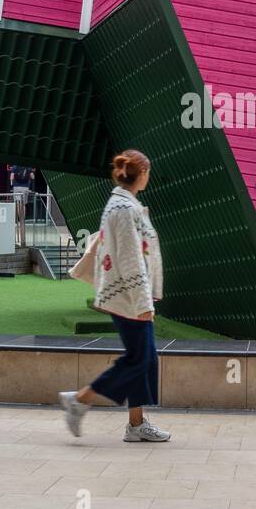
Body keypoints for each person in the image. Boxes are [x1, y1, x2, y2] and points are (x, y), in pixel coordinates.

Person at [59, 150, 169, 442]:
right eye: (148, 171)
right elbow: (131, 259)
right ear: (141, 174)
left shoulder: (123, 204)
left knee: (144, 358)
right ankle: (81, 399)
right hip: (128, 297)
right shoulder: (123, 209)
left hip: (127, 295)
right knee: (139, 359)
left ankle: (136, 424)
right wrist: (143, 302)